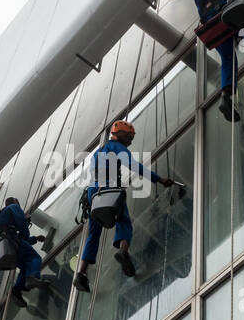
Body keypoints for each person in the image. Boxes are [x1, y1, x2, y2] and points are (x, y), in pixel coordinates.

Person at [74, 119, 176, 293]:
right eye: (129, 136)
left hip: (93, 193)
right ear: (119, 134)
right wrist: (158, 179)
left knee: (93, 234)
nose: (130, 140)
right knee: (124, 221)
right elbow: (134, 166)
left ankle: (81, 273)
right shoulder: (118, 148)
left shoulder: (98, 152)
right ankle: (123, 250)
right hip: (109, 187)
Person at [0, 196, 46, 307]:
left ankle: (16, 290)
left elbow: (20, 239)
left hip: (7, 247)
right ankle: (33, 277)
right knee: (35, 258)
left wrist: (35, 239)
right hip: (12, 243)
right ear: (16, 202)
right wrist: (26, 229)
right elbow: (21, 227)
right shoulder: (14, 207)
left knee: (26, 266)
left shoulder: (1, 218)